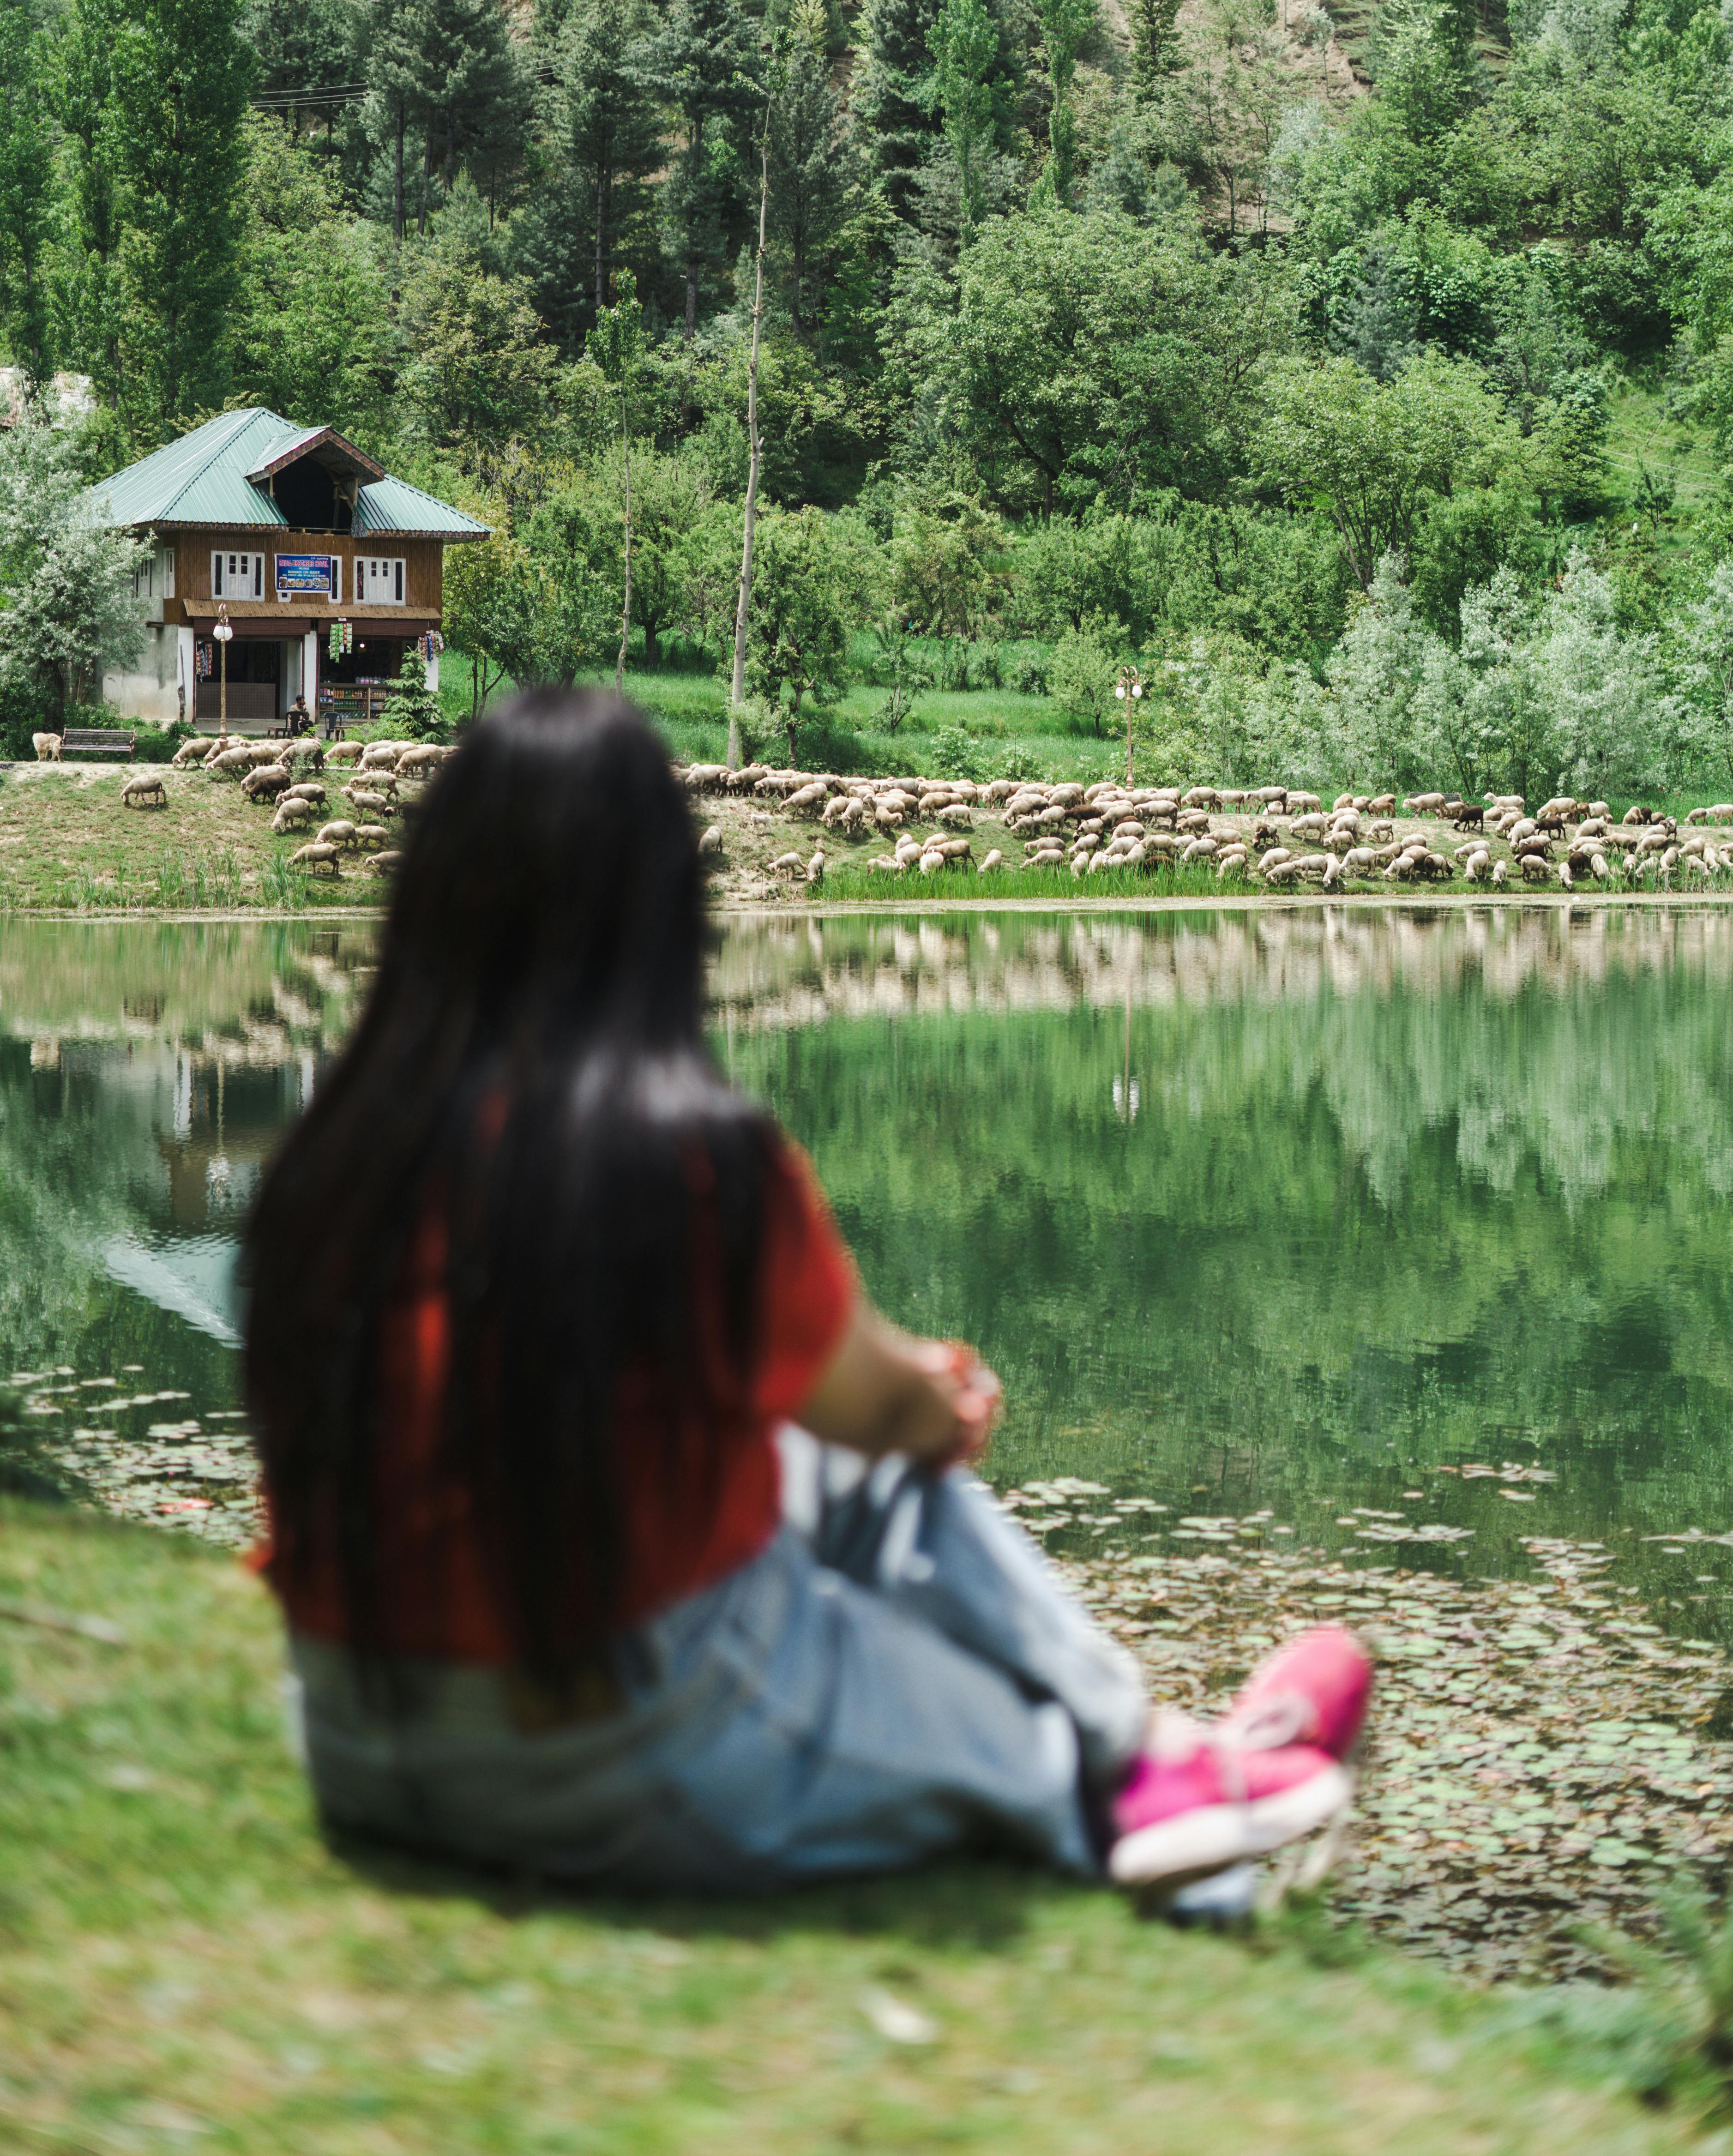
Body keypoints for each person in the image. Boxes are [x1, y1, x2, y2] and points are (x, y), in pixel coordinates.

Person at [242, 692, 1367, 1903]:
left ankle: (1147, 1760)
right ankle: (1145, 1775)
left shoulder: (325, 1162)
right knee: (1001, 1704)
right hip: (610, 1744)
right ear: (665, 908)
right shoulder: (687, 1162)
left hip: (357, 1739)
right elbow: (887, 1417)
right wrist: (944, 1395)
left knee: (821, 1462)